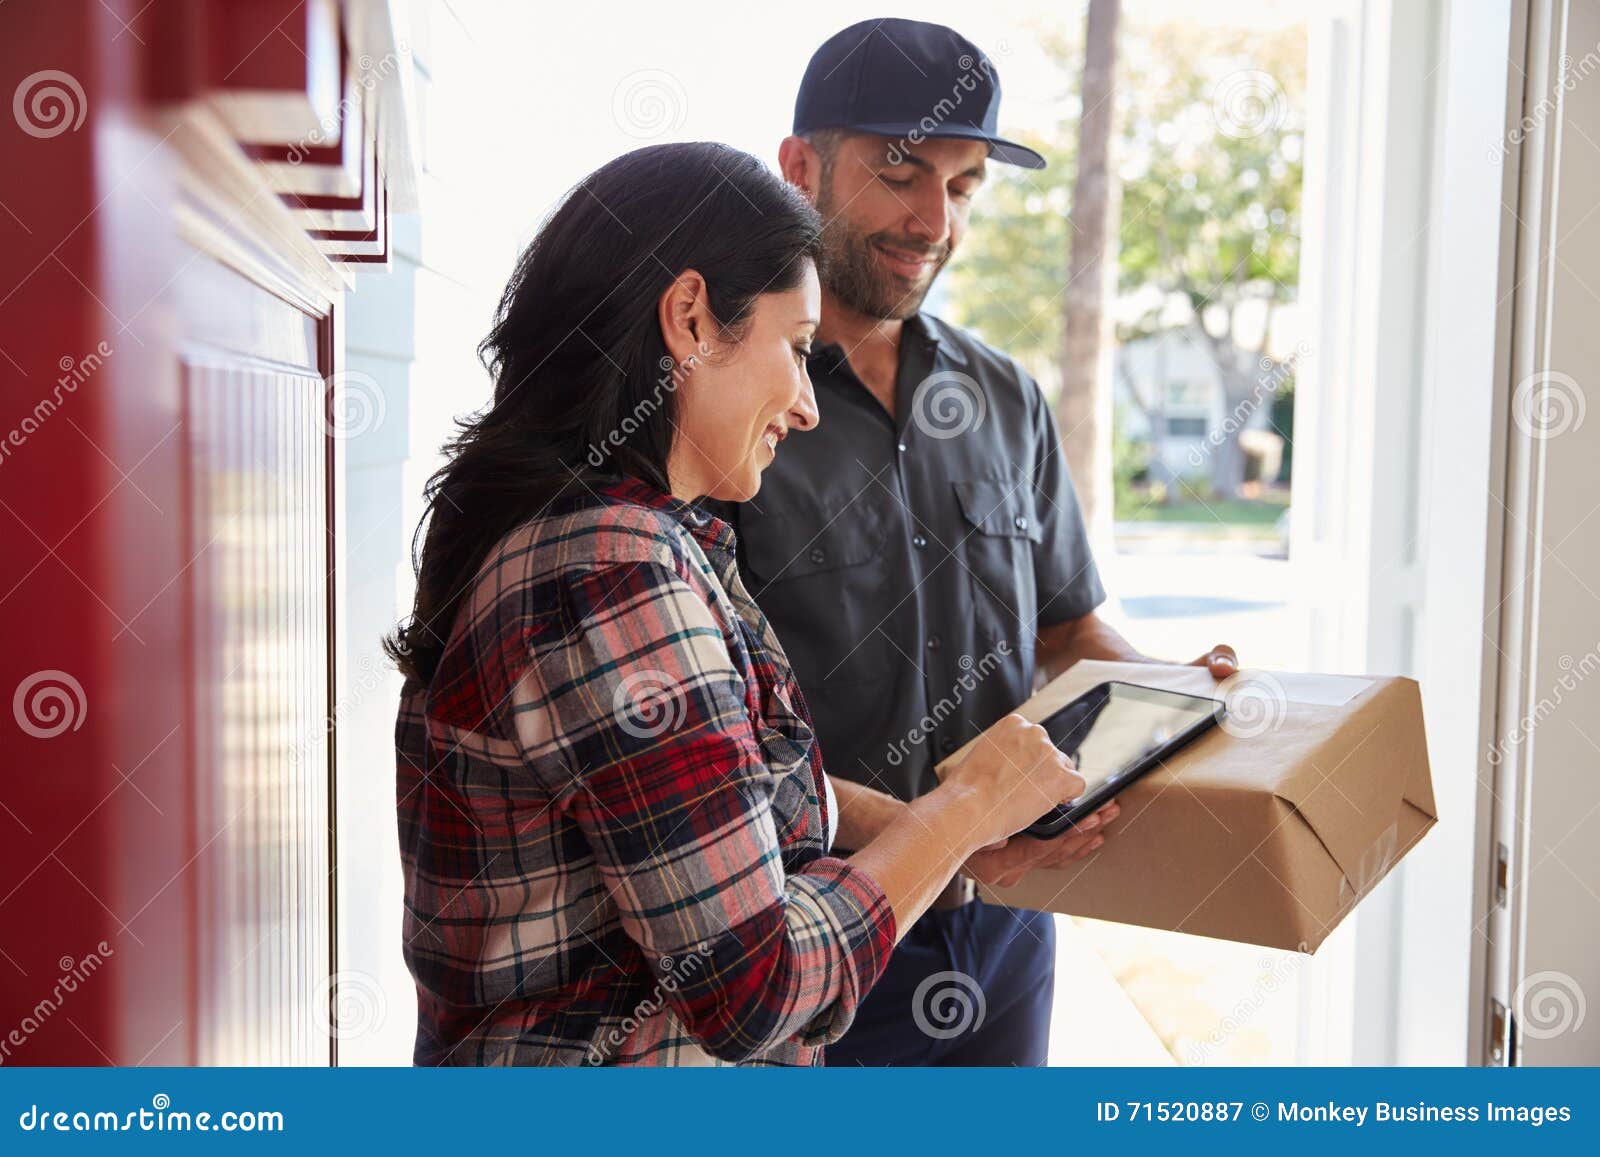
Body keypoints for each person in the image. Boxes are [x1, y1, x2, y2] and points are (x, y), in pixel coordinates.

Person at [387, 141, 1091, 1066]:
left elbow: (707, 793)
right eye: (795, 350)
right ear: (690, 319)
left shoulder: (637, 537)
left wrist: (963, 838)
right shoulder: (610, 571)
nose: (805, 405)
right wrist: (960, 807)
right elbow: (753, 989)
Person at [713, 18, 1240, 1067]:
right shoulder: (733, 403)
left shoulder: (1003, 396)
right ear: (799, 167)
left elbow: (1067, 628)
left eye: (961, 188)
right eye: (900, 170)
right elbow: (719, 728)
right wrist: (942, 829)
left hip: (1004, 924)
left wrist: (1183, 699)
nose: (931, 219)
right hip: (817, 927)